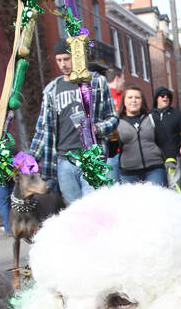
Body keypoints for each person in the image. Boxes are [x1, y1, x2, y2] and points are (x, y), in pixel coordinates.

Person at [28, 39, 119, 203]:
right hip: (64, 160)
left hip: (91, 157)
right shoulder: (51, 90)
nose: (63, 64)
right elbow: (43, 130)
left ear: (76, 57)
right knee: (75, 214)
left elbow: (113, 118)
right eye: (59, 60)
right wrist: (29, 158)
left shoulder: (97, 82)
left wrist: (97, 128)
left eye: (66, 58)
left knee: (92, 207)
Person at [116, 86, 166, 185]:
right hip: (129, 173)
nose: (134, 100)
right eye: (130, 97)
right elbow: (112, 150)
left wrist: (169, 159)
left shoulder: (152, 118)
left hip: (155, 169)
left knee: (157, 200)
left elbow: (165, 141)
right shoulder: (117, 123)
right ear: (124, 101)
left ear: (142, 101)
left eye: (137, 97)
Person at [151, 85, 181, 188]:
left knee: (174, 186)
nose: (165, 98)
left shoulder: (177, 114)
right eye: (162, 95)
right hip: (155, 159)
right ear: (156, 98)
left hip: (173, 157)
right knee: (159, 187)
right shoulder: (150, 115)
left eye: (168, 96)